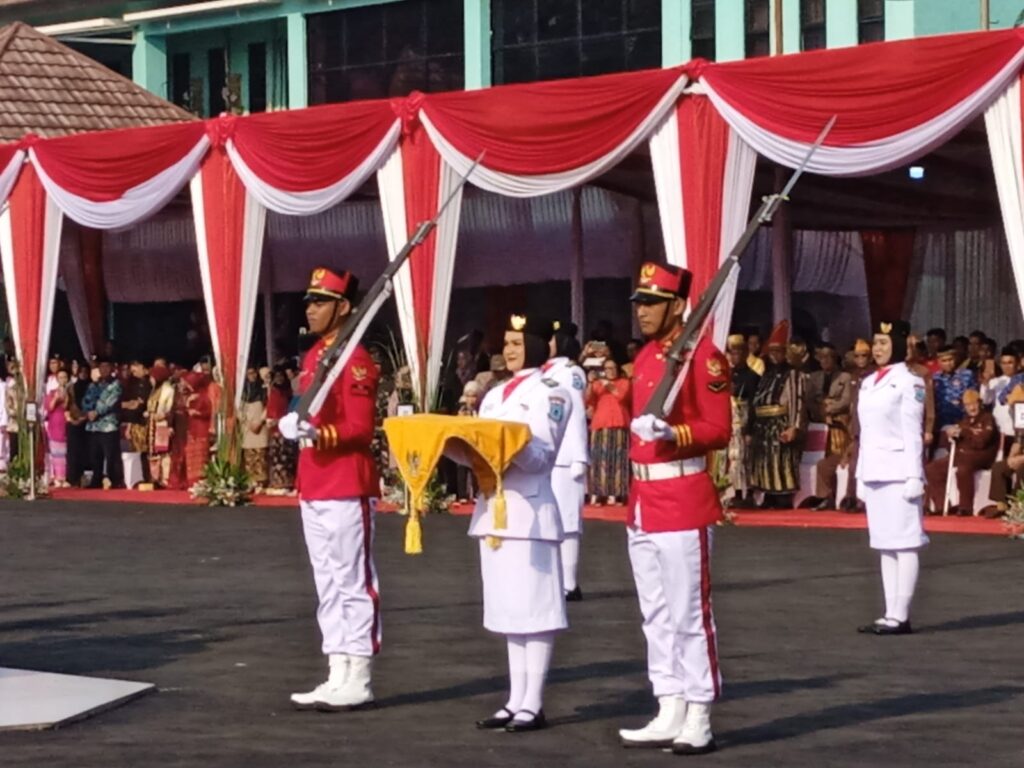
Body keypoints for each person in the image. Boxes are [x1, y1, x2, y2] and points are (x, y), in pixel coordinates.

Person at [618, 263, 730, 755]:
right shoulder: (646, 357)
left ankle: (699, 709)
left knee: (689, 613)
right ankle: (669, 702)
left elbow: (718, 429)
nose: (642, 312)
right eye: (640, 303)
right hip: (643, 500)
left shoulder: (703, 357)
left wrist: (674, 433)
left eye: (652, 303)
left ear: (678, 306)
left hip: (682, 495)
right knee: (656, 613)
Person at [450, 313, 569, 734]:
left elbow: (541, 456)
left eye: (518, 342)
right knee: (509, 612)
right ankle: (515, 699)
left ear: (537, 345)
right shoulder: (495, 394)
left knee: (535, 611)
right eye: (507, 343)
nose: (510, 350)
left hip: (530, 512)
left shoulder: (552, 392)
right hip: (494, 511)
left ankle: (533, 702)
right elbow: (479, 456)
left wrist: (506, 442)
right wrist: (453, 444)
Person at [279, 267, 381, 712]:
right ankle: (336, 669)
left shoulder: (354, 359)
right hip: (315, 482)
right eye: (310, 301)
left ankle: (359, 674)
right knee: (327, 583)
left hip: (344, 481)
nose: (311, 309)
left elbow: (360, 428)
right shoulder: (316, 356)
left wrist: (316, 434)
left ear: (343, 308)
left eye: (321, 302)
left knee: (352, 580)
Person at [856, 320, 927, 636]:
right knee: (885, 544)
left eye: (884, 343)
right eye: (875, 343)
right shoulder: (868, 382)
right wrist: (860, 474)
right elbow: (866, 434)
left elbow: (913, 432)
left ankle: (901, 615)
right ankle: (889, 613)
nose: (878, 349)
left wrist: (914, 475)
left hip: (899, 472)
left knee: (905, 543)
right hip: (875, 470)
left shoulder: (910, 383)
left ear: (898, 345)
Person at [543, 321, 589, 601]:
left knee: (569, 520)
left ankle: (570, 584)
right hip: (548, 455)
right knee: (551, 519)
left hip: (567, 456)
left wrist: (580, 457)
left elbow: (577, 414)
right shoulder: (545, 370)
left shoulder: (571, 372)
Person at [750, 321, 805, 509]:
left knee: (782, 460)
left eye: (778, 352)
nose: (774, 355)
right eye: (772, 352)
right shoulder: (766, 373)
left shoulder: (792, 373)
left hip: (781, 421)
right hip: (763, 423)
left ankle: (783, 497)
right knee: (764, 461)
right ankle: (768, 495)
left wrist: (793, 426)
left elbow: (797, 401)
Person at [924, 389, 997, 516]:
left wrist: (964, 432)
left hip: (981, 456)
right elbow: (953, 441)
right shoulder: (964, 421)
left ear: (979, 403)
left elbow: (981, 443)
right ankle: (942, 505)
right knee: (932, 469)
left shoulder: (987, 419)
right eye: (968, 405)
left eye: (974, 404)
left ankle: (965, 507)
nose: (971, 408)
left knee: (963, 468)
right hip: (961, 455)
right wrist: (950, 435)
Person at [585, 358, 631, 506]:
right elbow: (587, 400)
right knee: (599, 460)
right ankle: (598, 493)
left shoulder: (624, 382)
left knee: (618, 461)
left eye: (613, 368)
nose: (610, 371)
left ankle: (617, 494)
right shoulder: (598, 384)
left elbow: (622, 396)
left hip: (619, 422)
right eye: (607, 368)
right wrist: (590, 383)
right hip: (600, 424)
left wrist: (608, 385)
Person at [726, 333, 759, 508]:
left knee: (746, 458)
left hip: (745, 419)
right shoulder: (728, 375)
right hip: (730, 420)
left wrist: (750, 429)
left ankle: (750, 494)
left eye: (739, 353)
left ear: (745, 354)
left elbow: (754, 403)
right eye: (733, 353)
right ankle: (736, 492)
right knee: (733, 457)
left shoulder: (752, 376)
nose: (735, 356)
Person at [85, 358, 124, 489]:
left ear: (111, 368)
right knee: (95, 455)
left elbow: (110, 401)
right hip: (94, 426)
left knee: (111, 454)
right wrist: (89, 410)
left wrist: (97, 412)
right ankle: (96, 479)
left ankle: (114, 479)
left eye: (107, 367)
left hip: (108, 424)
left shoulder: (116, 384)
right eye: (101, 367)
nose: (104, 370)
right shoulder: (94, 385)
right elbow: (87, 399)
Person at [933, 345, 977, 439]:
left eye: (950, 360)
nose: (948, 363)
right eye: (944, 361)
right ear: (938, 362)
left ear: (955, 358)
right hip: (941, 425)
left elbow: (973, 399)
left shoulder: (967, 375)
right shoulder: (935, 378)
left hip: (962, 423)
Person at [266, 366, 297, 494]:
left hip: (285, 429)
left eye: (281, 376)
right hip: (274, 430)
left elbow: (290, 411)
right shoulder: (273, 392)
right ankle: (277, 483)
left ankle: (287, 482)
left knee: (285, 457)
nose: (279, 379)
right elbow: (270, 408)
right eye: (277, 376)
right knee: (276, 457)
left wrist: (279, 420)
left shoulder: (288, 393)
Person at [146, 364, 176, 487]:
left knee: (163, 451)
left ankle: (165, 478)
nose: (150, 380)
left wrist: (163, 415)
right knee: (153, 452)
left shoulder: (169, 390)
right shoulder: (154, 390)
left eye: (152, 377)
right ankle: (155, 477)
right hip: (152, 423)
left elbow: (170, 409)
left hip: (162, 424)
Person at [240, 368, 269, 490]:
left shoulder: (263, 390)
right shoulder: (242, 392)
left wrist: (260, 422)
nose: (252, 376)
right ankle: (251, 481)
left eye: (254, 373)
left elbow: (268, 406)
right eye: (249, 374)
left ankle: (261, 482)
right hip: (247, 427)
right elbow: (239, 410)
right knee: (249, 455)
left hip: (260, 426)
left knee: (260, 455)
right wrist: (248, 423)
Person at [44, 369, 70, 487]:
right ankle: (57, 477)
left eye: (64, 377)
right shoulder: (52, 392)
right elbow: (49, 407)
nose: (62, 380)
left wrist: (67, 397)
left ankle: (65, 477)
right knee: (56, 452)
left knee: (66, 452)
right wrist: (56, 398)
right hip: (55, 423)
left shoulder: (71, 392)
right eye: (60, 377)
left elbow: (68, 406)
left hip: (66, 423)